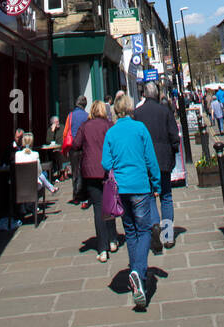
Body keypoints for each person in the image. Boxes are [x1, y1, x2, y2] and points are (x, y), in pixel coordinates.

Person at [102, 92, 161, 311]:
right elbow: (151, 160)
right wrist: (156, 183)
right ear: (130, 109)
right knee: (144, 230)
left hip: (121, 191)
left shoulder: (111, 132)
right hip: (140, 188)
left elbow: (106, 162)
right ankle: (138, 272)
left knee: (131, 232)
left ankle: (136, 275)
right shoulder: (139, 129)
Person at [135, 80, 180, 250]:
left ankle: (154, 225)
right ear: (156, 94)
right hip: (163, 160)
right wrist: (173, 151)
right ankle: (168, 236)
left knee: (150, 196)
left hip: (145, 162)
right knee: (166, 196)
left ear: (145, 94)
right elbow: (174, 136)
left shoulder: (137, 114)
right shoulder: (165, 111)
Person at [72, 101, 119, 262]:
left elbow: (75, 144)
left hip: (91, 172)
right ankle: (113, 239)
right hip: (107, 170)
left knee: (98, 208)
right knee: (110, 205)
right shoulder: (109, 125)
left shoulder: (85, 126)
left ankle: (102, 248)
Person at [13, 129, 57, 194]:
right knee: (43, 174)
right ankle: (50, 187)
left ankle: (51, 187)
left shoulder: (17, 154)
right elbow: (39, 171)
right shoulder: (35, 154)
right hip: (33, 184)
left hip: (20, 184)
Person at [65, 95, 89, 205]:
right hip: (84, 146)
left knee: (75, 172)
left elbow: (66, 132)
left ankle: (75, 196)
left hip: (74, 147)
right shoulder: (87, 116)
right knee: (84, 171)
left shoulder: (70, 115)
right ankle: (84, 194)